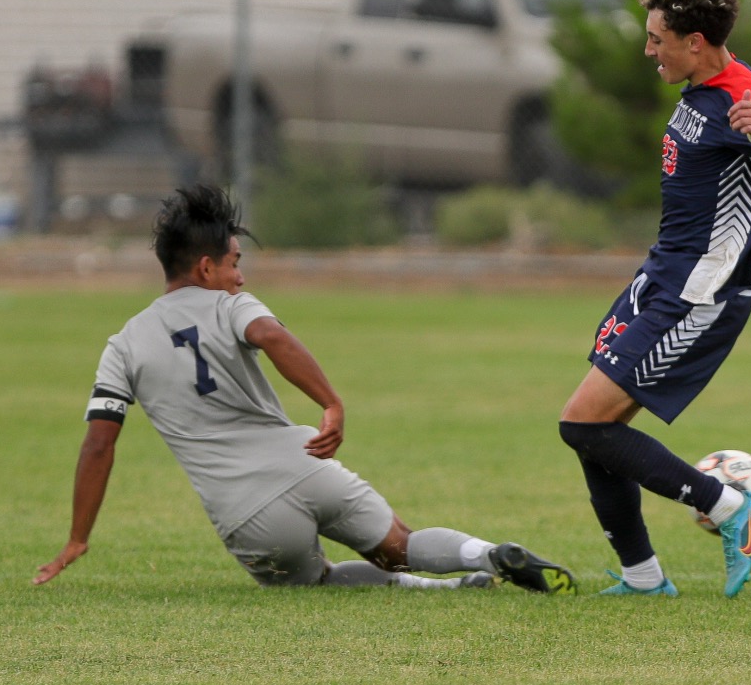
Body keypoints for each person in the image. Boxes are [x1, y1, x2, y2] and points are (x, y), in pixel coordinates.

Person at [35, 185, 576, 594]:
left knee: (316, 582)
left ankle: (448, 590)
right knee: (401, 547)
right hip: (305, 462)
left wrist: (79, 537)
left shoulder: (123, 345)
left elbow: (99, 444)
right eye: (234, 264)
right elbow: (270, 334)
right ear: (205, 267)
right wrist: (331, 404)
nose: (241, 278)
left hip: (246, 513)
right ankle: (481, 555)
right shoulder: (231, 306)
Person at [558, 0, 751, 598]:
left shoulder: (748, 96)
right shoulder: (699, 94)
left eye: (657, 38)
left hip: (699, 296)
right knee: (593, 433)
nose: (649, 50)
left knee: (582, 424)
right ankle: (643, 578)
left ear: (694, 42)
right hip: (659, 280)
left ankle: (733, 507)